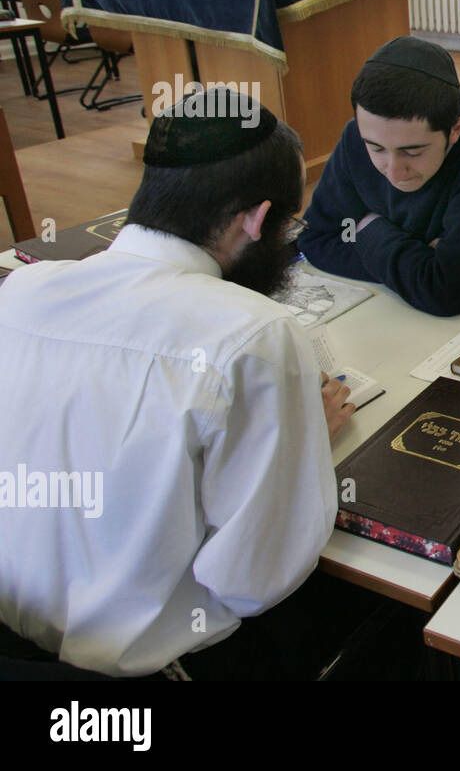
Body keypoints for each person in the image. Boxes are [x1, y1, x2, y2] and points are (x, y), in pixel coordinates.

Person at [0, 89, 361, 678]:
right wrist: (305, 443)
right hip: (145, 672)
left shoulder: (21, 292)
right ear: (257, 218)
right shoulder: (255, 337)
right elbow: (250, 580)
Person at [300, 37, 460, 315]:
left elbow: (448, 291)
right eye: (376, 149)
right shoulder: (356, 137)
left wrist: (369, 229)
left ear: (456, 130)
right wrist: (421, 263)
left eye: (412, 152)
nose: (394, 171)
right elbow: (316, 240)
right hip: (401, 314)